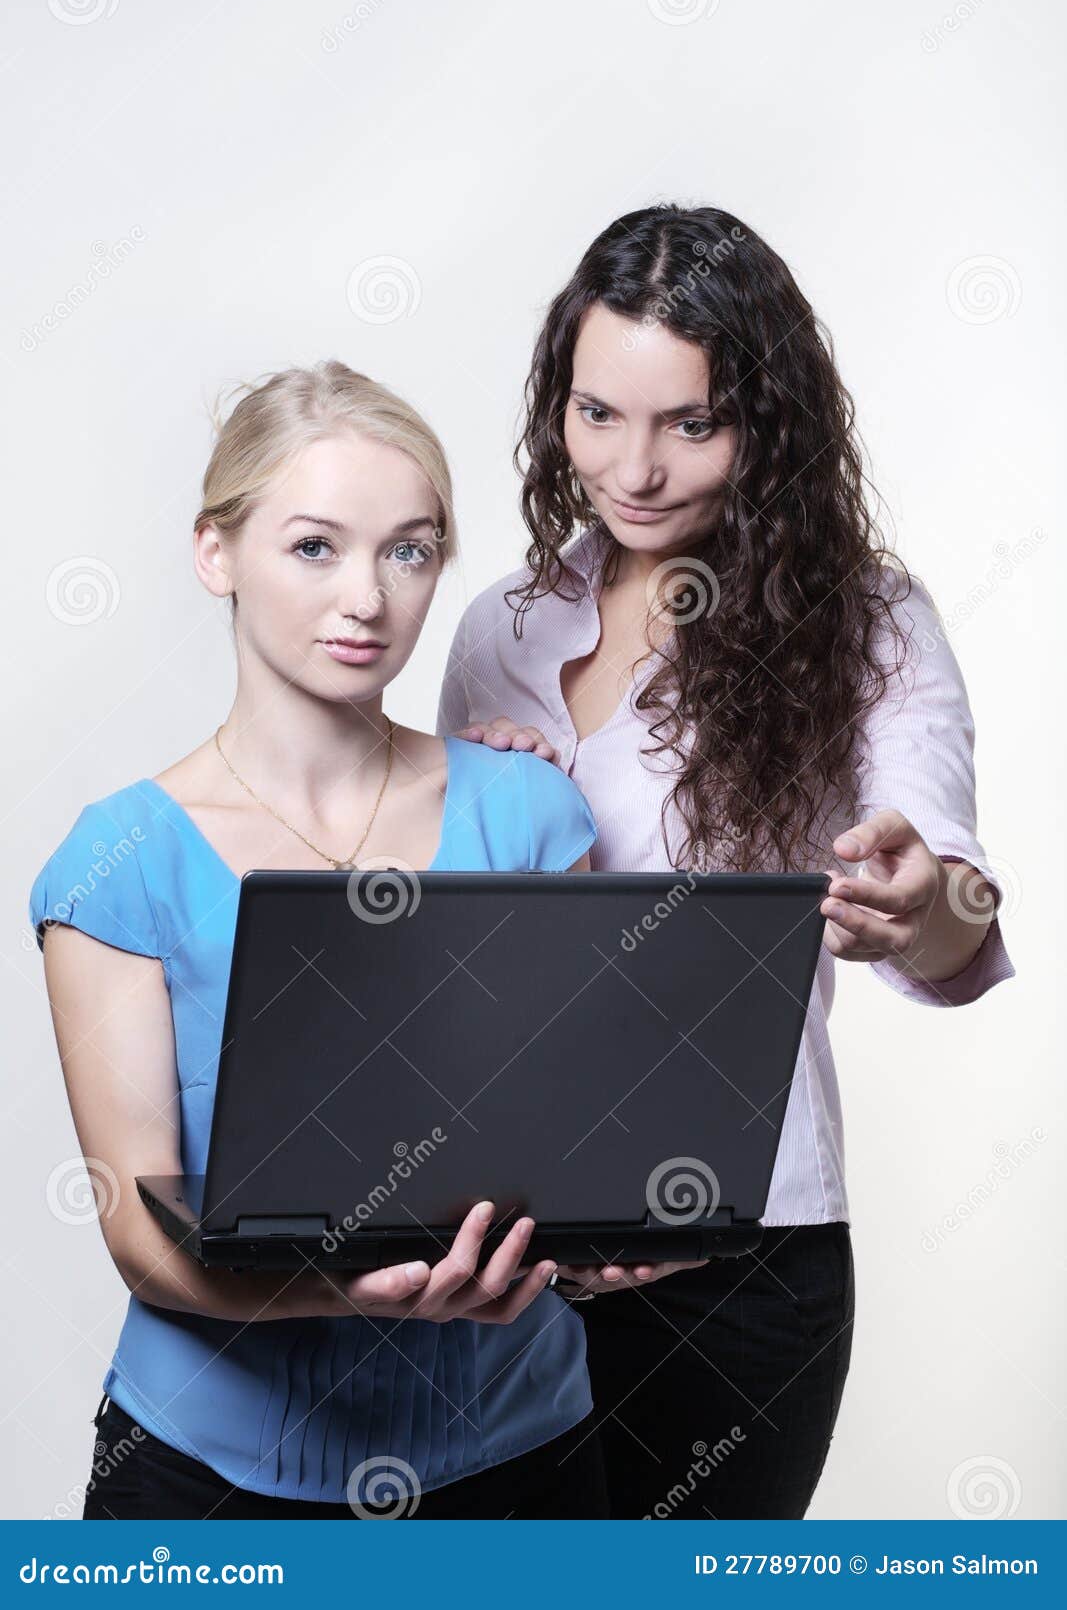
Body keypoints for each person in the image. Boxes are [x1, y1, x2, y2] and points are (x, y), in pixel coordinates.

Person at [29, 362, 687, 1520]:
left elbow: (572, 1145)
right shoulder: (118, 859)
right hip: (211, 1482)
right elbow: (137, 1230)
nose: (368, 599)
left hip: (518, 1463)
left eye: (410, 549)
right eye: (314, 547)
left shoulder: (530, 812)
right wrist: (355, 1291)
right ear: (215, 552)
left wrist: (607, 1247)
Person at [438, 203, 1016, 1518]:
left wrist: (913, 897)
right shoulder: (500, 629)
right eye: (597, 414)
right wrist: (468, 819)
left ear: (765, 426)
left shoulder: (864, 622)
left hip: (740, 1262)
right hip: (504, 1252)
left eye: (688, 424)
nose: (632, 469)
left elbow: (954, 899)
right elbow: (446, 962)